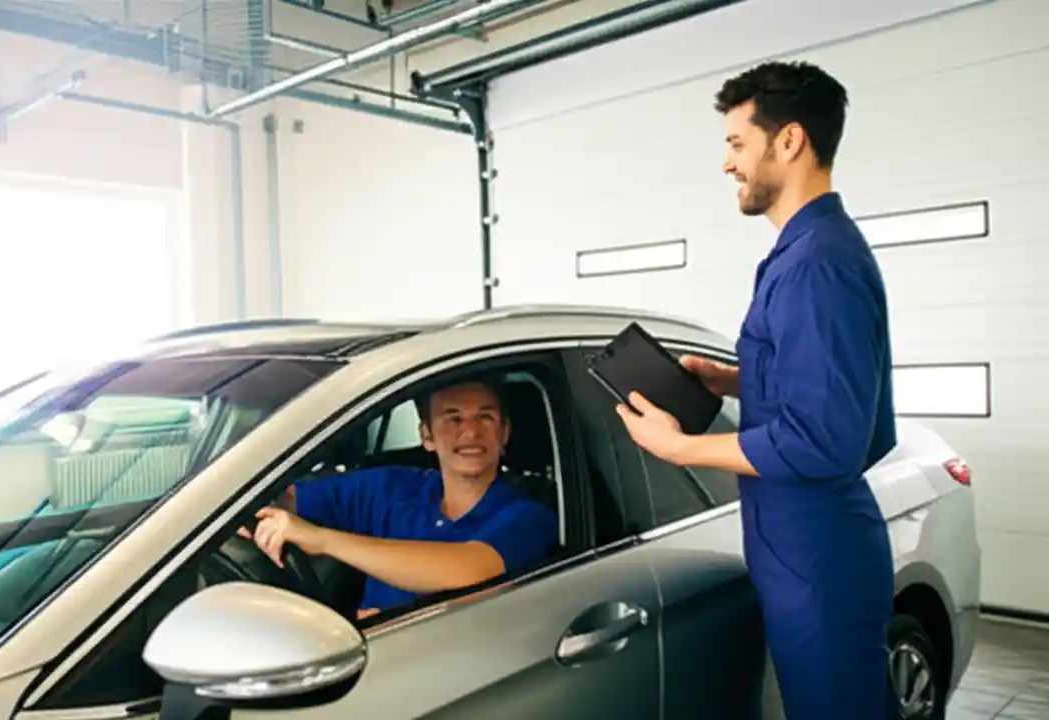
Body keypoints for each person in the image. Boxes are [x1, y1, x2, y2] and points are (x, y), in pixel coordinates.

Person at [616, 61, 897, 719]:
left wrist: (681, 448)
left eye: (737, 143)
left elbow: (825, 438)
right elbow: (833, 383)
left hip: (817, 559)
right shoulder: (807, 251)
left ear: (790, 141)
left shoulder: (816, 265)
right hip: (806, 550)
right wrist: (733, 380)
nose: (727, 164)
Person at [243, 376, 559, 620]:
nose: (471, 432)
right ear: (426, 436)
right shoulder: (392, 488)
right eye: (453, 418)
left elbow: (470, 570)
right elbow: (282, 501)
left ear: (504, 433)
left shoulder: (527, 515)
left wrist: (322, 540)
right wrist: (257, 513)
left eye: (485, 417)